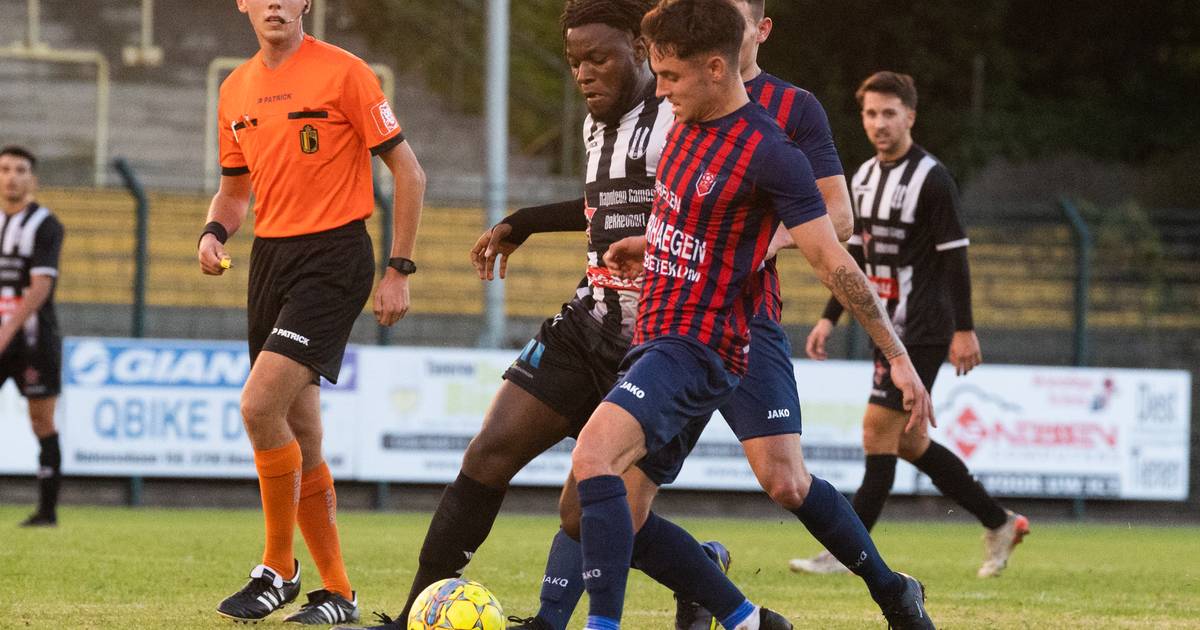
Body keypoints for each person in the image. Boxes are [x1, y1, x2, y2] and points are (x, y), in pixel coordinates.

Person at [356, 4, 785, 630]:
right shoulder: (594, 126)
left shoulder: (680, 116)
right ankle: (412, 615)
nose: (584, 73)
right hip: (588, 322)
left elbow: (735, 206)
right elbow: (603, 205)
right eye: (574, 62)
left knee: (590, 514)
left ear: (640, 50)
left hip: (663, 341)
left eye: (599, 58)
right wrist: (525, 221)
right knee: (488, 453)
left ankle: (721, 595)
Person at [510, 2, 937, 629]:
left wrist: (895, 354)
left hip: (722, 330)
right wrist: (651, 243)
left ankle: (891, 591)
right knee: (607, 506)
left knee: (777, 481)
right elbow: (684, 210)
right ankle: (743, 616)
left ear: (745, 37)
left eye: (668, 77)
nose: (659, 91)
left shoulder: (780, 129)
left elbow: (835, 246)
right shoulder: (684, 120)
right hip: (662, 332)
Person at [198, 0, 425, 624]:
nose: (275, 3)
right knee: (302, 433)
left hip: (334, 257)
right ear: (244, 3)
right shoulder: (234, 89)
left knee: (257, 406)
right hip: (270, 260)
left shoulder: (345, 72)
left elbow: (409, 172)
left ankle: (278, 569)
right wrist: (214, 231)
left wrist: (399, 270)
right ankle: (339, 593)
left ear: (305, 4)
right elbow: (235, 190)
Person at [790, 71, 1029, 579]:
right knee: (909, 442)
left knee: (876, 430)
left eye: (889, 113)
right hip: (887, 327)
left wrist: (964, 329)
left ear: (910, 117)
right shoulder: (861, 177)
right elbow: (852, 258)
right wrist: (829, 318)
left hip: (924, 327)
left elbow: (955, 257)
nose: (879, 123)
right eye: (870, 114)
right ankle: (999, 521)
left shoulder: (932, 179)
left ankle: (845, 551)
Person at [0, 146, 65, 528]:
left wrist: (7, 329)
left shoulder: (45, 224)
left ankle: (46, 512)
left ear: (32, 179)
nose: (12, 177)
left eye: (20, 170)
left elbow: (40, 286)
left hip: (34, 341)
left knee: (41, 420)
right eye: (5, 169)